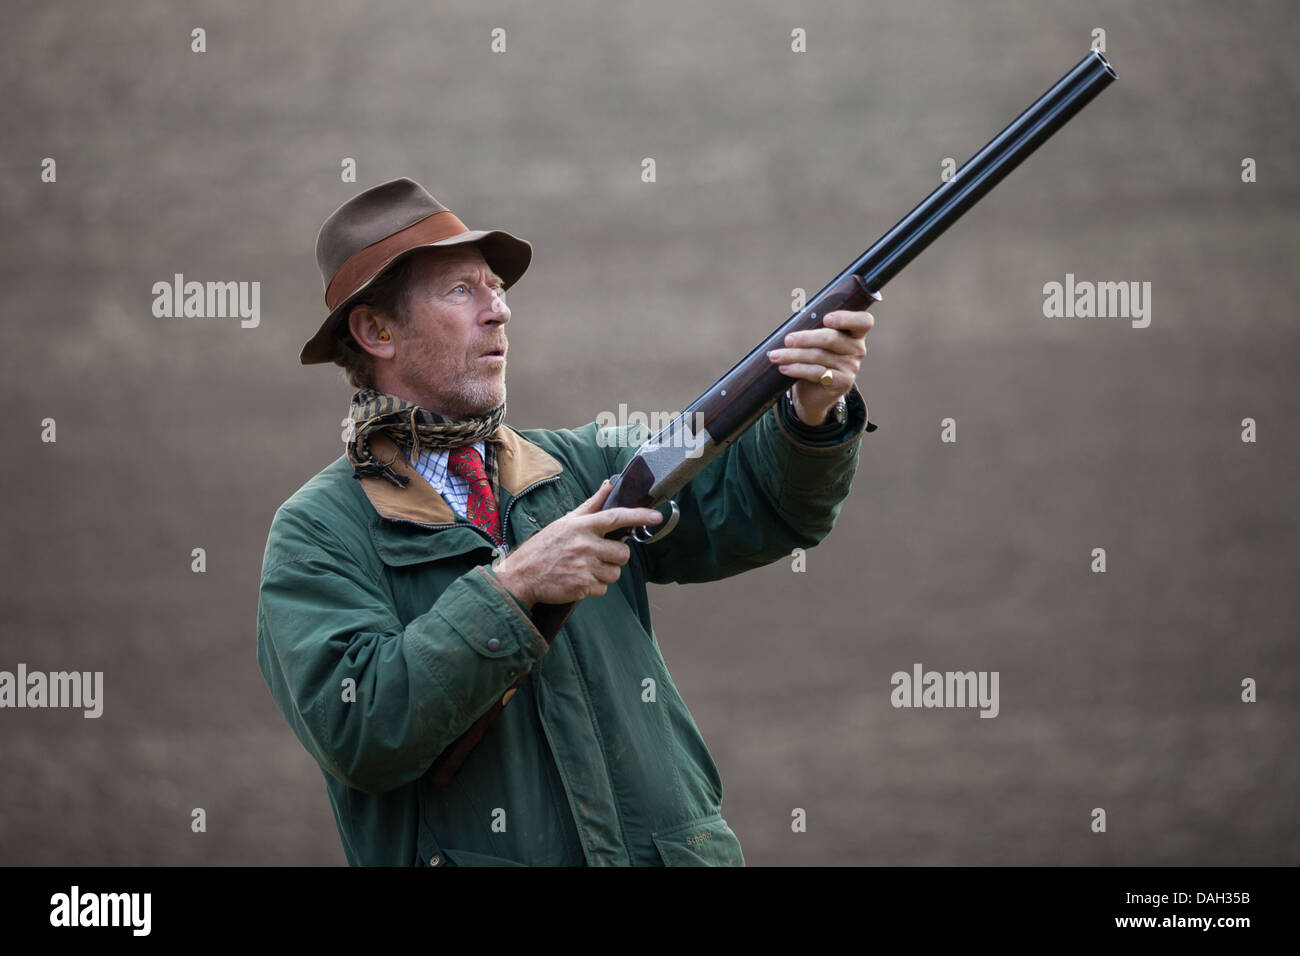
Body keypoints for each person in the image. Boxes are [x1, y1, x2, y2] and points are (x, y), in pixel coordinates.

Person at [256, 177, 877, 866]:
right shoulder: (318, 532)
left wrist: (808, 414)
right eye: (462, 291)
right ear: (375, 331)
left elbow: (766, 509)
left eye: (497, 288)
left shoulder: (587, 464)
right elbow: (361, 729)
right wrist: (512, 586)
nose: (499, 312)